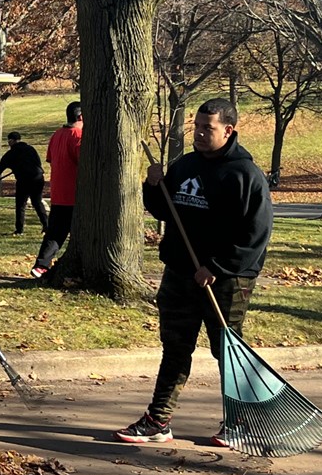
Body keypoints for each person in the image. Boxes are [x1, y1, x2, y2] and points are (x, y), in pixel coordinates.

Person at [115, 98, 272, 446]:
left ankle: (241, 423)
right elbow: (164, 209)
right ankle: (158, 420)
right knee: (175, 346)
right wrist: (154, 184)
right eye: (197, 127)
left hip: (227, 279)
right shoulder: (185, 166)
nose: (200, 134)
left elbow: (255, 237)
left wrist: (215, 268)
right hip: (180, 272)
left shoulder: (246, 176)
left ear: (228, 130)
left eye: (208, 128)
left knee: (227, 352)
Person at [31, 102, 82, 278]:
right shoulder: (78, 135)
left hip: (58, 193)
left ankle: (41, 265)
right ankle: (44, 265)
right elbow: (84, 164)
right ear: (81, 117)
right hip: (74, 195)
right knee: (63, 232)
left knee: (55, 232)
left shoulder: (57, 135)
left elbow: (51, 159)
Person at [0, 132, 47, 235]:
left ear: (11, 141)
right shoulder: (31, 149)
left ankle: (19, 230)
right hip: (38, 178)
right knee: (37, 203)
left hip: (24, 180)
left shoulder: (10, 154)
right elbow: (37, 163)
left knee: (21, 205)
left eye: (9, 140)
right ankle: (46, 226)